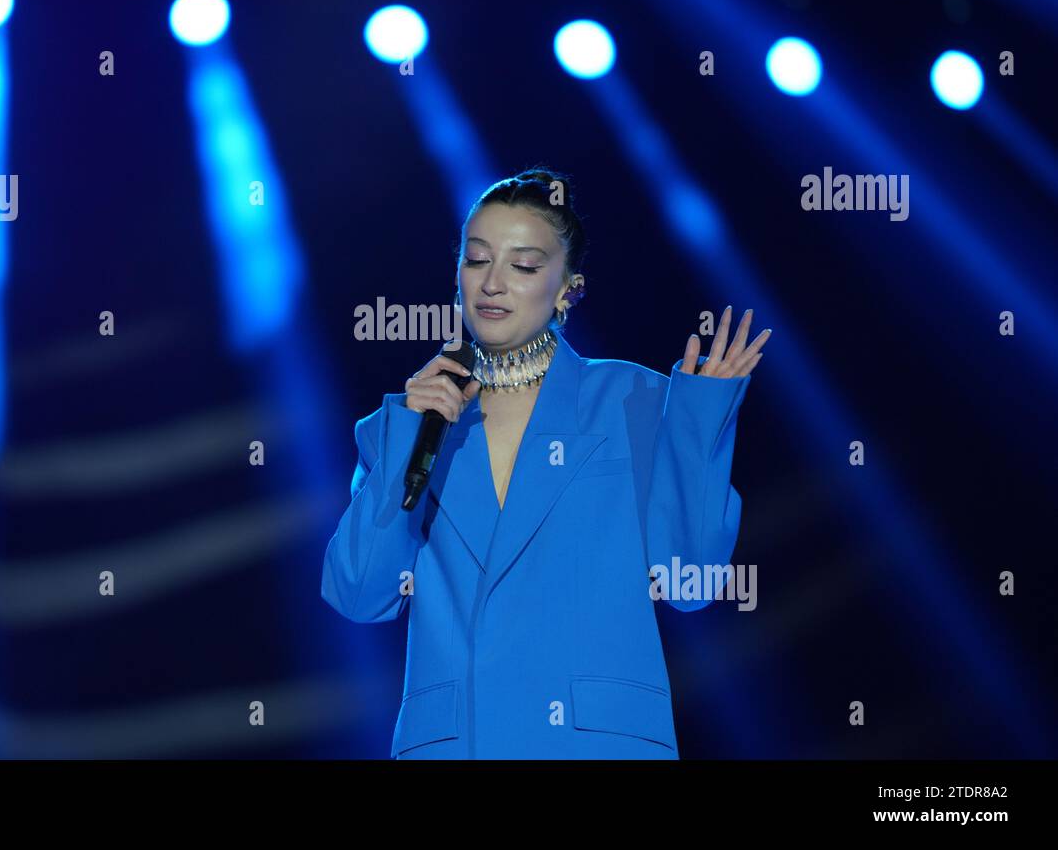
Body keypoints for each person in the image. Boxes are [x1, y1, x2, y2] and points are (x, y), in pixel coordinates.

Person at [321, 168, 771, 758]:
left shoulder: (634, 402)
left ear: (567, 288)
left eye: (524, 266)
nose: (493, 283)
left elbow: (693, 584)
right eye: (477, 260)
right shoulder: (400, 425)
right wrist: (409, 431)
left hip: (593, 742)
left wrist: (697, 422)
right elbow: (357, 595)